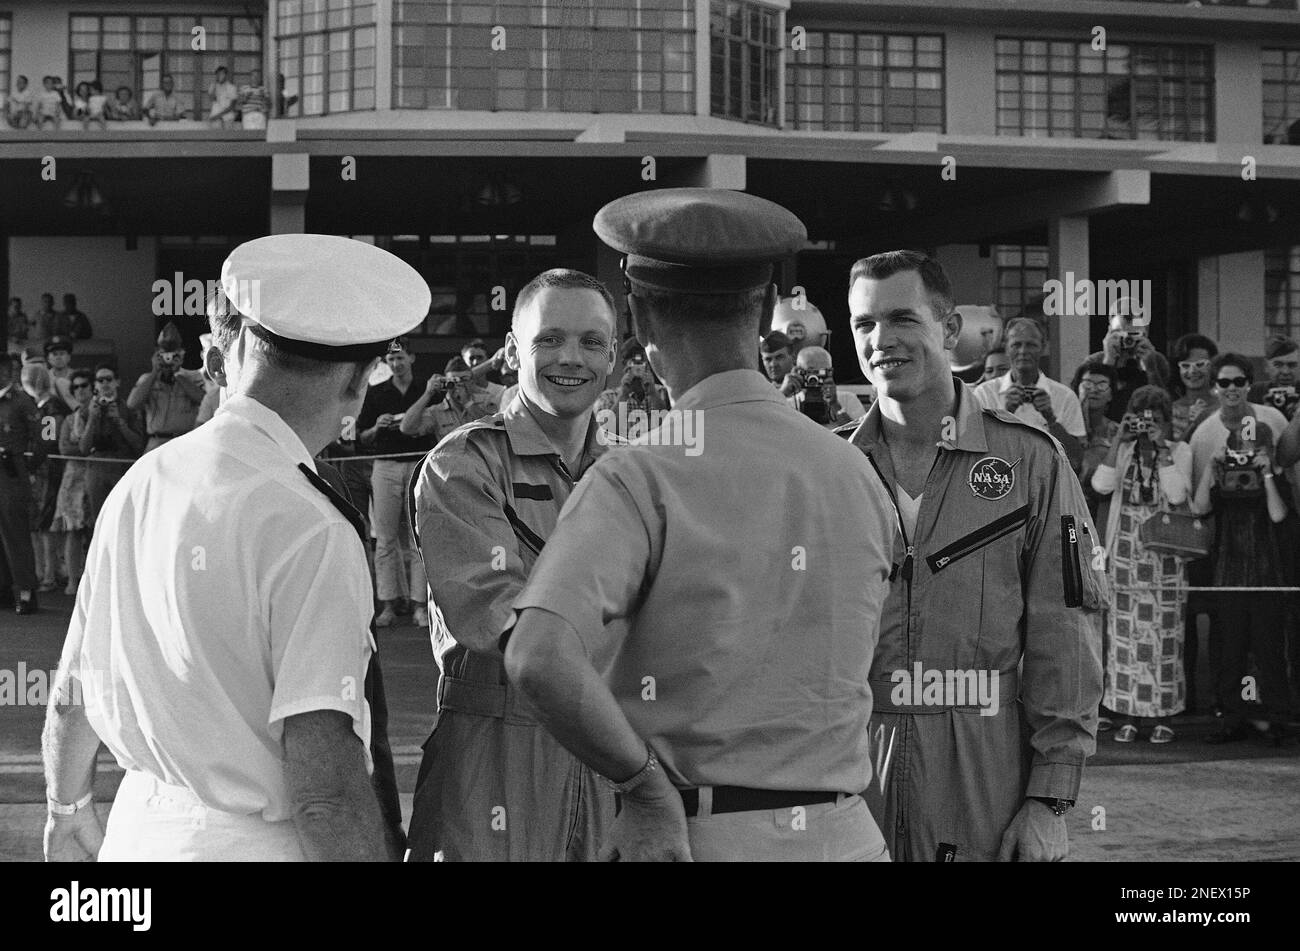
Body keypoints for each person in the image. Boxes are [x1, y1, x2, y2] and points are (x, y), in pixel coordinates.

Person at [506, 188, 897, 862]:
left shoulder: (638, 475)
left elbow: (536, 655)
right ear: (760, 314)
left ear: (640, 322)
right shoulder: (854, 468)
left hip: (697, 835)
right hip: (846, 833)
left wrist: (641, 784)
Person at [42, 233, 428, 862]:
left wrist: (67, 809)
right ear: (357, 386)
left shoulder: (143, 480)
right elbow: (324, 788)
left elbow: (74, 686)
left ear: (239, 351)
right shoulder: (313, 526)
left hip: (136, 834)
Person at [839, 250, 1106, 862]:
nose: (882, 341)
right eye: (864, 324)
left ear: (950, 330)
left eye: (903, 319)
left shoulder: (1030, 462)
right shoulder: (828, 469)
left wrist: (1050, 800)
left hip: (987, 774)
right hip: (849, 776)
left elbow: (1067, 632)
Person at [405, 268, 621, 862]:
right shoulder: (464, 465)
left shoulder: (630, 478)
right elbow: (506, 627)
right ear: (510, 351)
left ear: (613, 358)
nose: (570, 358)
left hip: (612, 767)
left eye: (591, 341)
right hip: (494, 758)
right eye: (548, 339)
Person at [1191, 353, 1291, 746]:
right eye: (1224, 382)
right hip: (1229, 563)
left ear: (1249, 384)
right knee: (1229, 645)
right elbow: (1199, 508)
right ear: (1217, 387)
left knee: (1268, 644)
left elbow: (1279, 515)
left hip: (1265, 565)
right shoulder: (1209, 438)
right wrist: (1217, 467)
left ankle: (1274, 716)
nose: (1231, 389)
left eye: (1238, 382)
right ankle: (1229, 714)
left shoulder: (1270, 432)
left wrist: (1265, 471)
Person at [1091, 386, 1194, 743]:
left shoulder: (1181, 451)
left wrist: (1163, 451)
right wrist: (1119, 439)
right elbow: (1101, 485)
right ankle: (1127, 713)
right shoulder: (1125, 450)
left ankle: (1163, 716)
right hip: (1123, 553)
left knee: (1164, 639)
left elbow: (1179, 495)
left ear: (1166, 421)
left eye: (1155, 418)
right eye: (1141, 417)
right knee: (1122, 638)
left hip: (1165, 554)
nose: (1147, 425)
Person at [356, 337, 439, 629]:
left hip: (419, 466)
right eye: (391, 360)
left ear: (412, 359)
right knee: (386, 540)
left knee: (418, 540)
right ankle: (388, 605)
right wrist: (376, 427)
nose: (396, 363)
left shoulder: (428, 392)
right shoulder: (375, 393)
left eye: (400, 358)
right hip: (385, 466)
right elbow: (360, 437)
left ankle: (419, 606)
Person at [972, 317, 1085, 472]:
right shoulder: (985, 393)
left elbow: (1076, 458)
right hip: (1000, 482)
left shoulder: (1065, 397)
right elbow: (973, 451)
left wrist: (1051, 419)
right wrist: (1005, 415)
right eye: (1016, 345)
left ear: (1043, 347)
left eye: (1031, 345)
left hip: (1049, 481)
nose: (1023, 351)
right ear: (1006, 348)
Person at [0, 354, 45, 614]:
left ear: (7, 370)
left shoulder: (21, 401)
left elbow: (45, 434)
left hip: (11, 475)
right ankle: (4, 590)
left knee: (16, 535)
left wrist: (27, 466)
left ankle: (27, 592)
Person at [21, 363, 70, 594]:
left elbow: (48, 439)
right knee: (40, 524)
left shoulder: (51, 407)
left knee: (46, 522)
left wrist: (32, 463)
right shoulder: (43, 405)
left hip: (48, 469)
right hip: (42, 468)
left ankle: (50, 572)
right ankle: (48, 570)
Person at [77, 363, 143, 528]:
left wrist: (120, 422)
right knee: (98, 522)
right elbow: (83, 449)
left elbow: (139, 445)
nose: (105, 383)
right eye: (100, 380)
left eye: (109, 379)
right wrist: (92, 419)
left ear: (117, 382)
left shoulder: (129, 409)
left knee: (125, 520)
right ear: (95, 384)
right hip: (96, 467)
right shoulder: (85, 411)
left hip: (122, 465)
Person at [125, 322, 206, 452]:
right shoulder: (147, 379)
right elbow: (132, 404)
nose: (168, 358)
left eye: (173, 354)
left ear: (181, 354)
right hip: (156, 442)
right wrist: (154, 372)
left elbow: (204, 401)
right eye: (164, 354)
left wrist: (177, 374)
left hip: (184, 442)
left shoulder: (193, 378)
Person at [54, 370, 94, 595]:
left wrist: (81, 449)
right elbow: (63, 448)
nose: (80, 390)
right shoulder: (69, 419)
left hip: (94, 474)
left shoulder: (100, 414)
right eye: (76, 387)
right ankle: (72, 578)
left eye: (84, 386)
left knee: (94, 529)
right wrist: (83, 450)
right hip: (72, 479)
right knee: (72, 530)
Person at [1091, 301, 1160, 421]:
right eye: (1119, 333)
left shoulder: (1156, 361)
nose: (1127, 340)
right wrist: (1108, 362)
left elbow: (1162, 406)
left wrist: (1150, 368)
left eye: (1134, 334)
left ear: (1146, 333)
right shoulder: (1094, 362)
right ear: (1109, 332)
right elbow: (1089, 406)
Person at [1072, 360, 1121, 518]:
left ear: (1111, 394)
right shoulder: (1063, 428)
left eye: (1102, 385)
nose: (1094, 390)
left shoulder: (1118, 432)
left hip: (1102, 513)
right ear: (1077, 388)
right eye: (1087, 384)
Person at [787, 344, 865, 427]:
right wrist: (783, 392)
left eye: (821, 373)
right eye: (810, 372)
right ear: (797, 372)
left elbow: (861, 436)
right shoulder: (789, 404)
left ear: (831, 372)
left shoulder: (848, 399)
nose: (815, 378)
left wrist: (835, 405)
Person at [1170, 333, 1219, 443]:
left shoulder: (1224, 407)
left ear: (1213, 366)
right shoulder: (1170, 411)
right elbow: (1171, 455)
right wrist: (1193, 424)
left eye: (1200, 364)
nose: (1192, 371)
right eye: (1186, 366)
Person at [1249, 336, 1300, 419]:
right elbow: (1245, 431)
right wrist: (1261, 415)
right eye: (1278, 365)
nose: (1285, 372)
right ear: (1266, 365)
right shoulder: (1254, 393)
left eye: (1292, 365)